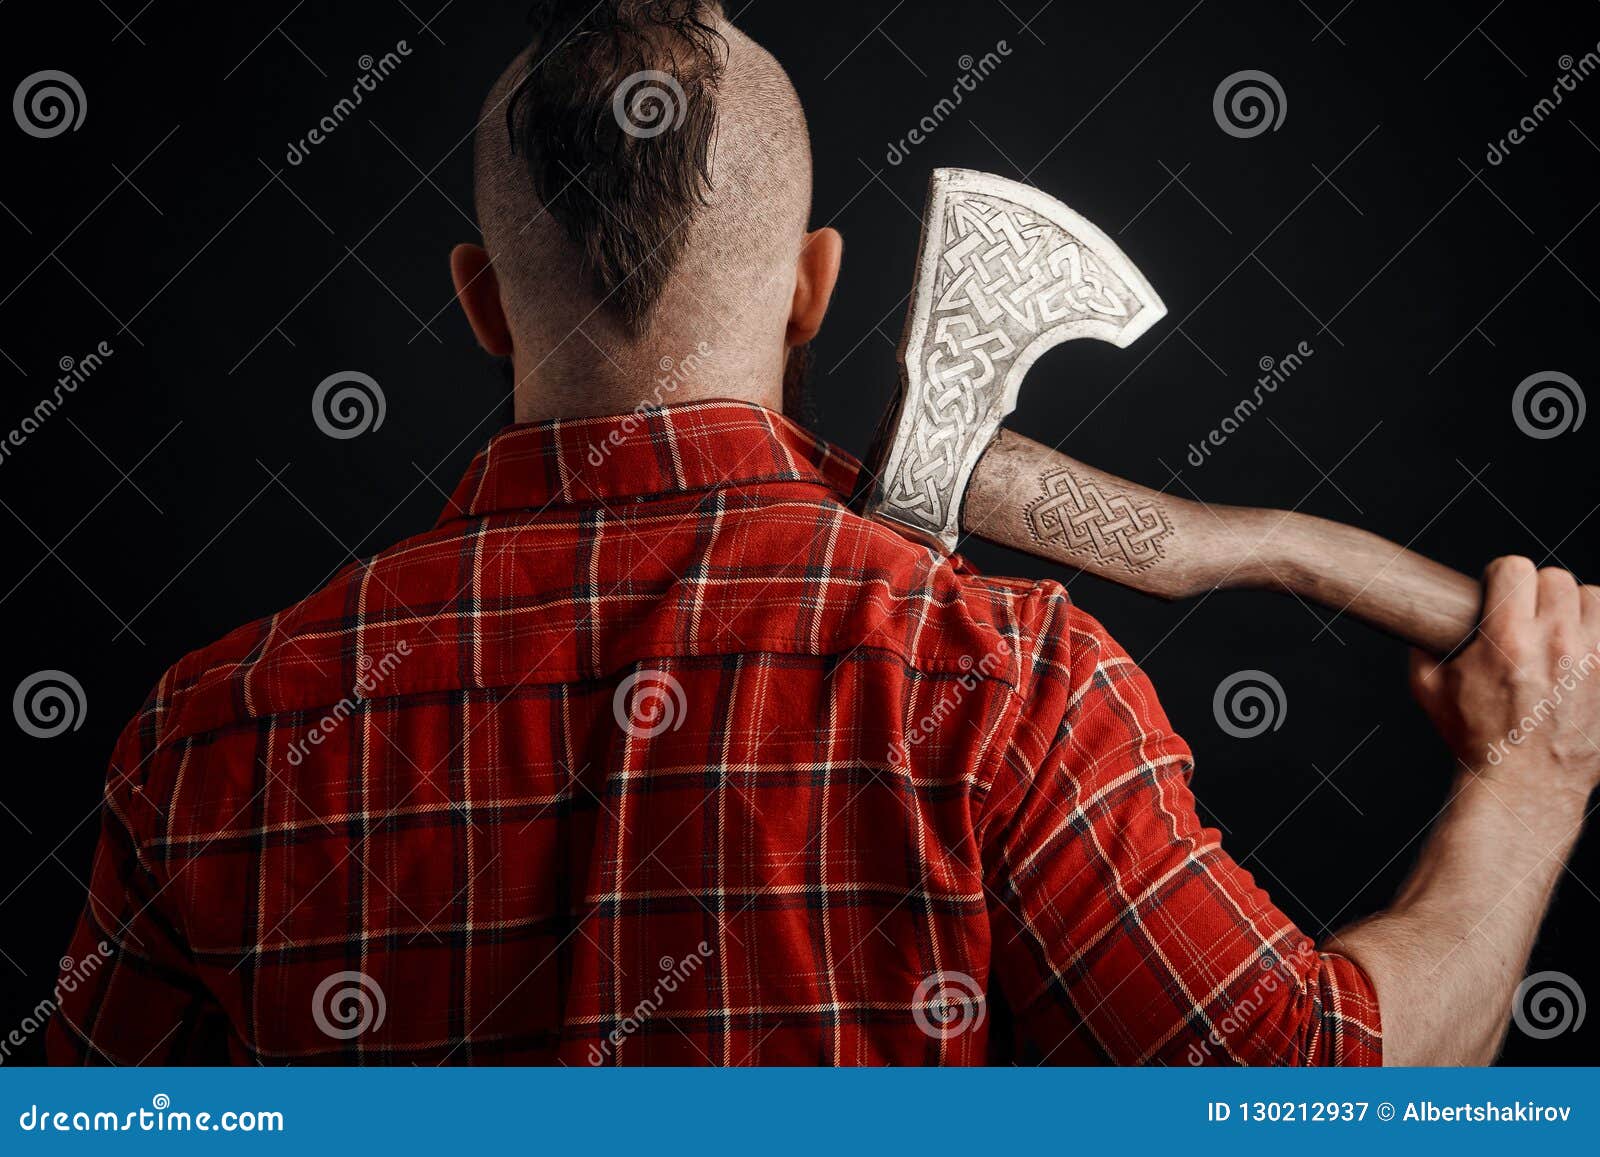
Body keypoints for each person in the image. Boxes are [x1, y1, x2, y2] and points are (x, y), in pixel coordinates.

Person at [49, 1, 1597, 1065]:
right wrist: (1528, 782)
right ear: (815, 286)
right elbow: (1315, 1102)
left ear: (474, 300)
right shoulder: (995, 679)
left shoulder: (209, 732)